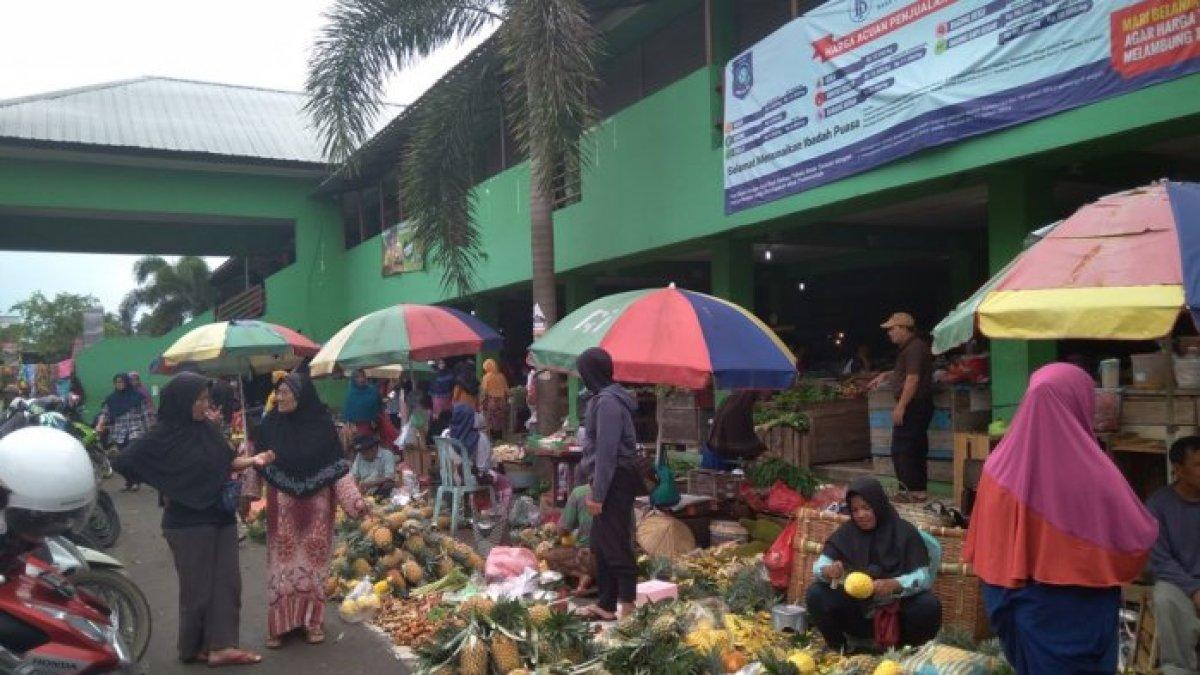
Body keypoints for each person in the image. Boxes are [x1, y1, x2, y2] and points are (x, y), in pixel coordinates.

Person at [965, 363, 1159, 675]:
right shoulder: (1096, 474)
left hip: (1014, 608)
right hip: (1078, 614)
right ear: (1081, 402)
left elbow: (987, 551)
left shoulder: (996, 468)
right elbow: (1137, 541)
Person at [114, 372, 274, 666]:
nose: (205, 405)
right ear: (182, 401)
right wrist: (168, 483)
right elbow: (125, 461)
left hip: (220, 515)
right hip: (187, 523)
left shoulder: (207, 430)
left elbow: (227, 461)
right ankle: (193, 647)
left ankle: (222, 646)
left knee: (227, 584)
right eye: (199, 400)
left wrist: (254, 460)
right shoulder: (162, 435)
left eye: (206, 399)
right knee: (197, 590)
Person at [244, 373, 369, 648]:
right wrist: (248, 495)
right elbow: (257, 460)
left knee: (313, 566)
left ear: (302, 397)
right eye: (278, 392)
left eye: (286, 392)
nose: (280, 398)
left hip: (317, 510)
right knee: (282, 566)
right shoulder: (269, 425)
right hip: (283, 510)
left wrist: (356, 503)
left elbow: (337, 467)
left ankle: (312, 622)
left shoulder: (323, 427)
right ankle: (279, 625)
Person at [806, 476, 941, 651]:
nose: (860, 515)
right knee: (816, 593)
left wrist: (895, 584)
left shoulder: (904, 532)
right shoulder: (847, 532)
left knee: (928, 605)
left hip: (897, 612)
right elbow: (820, 564)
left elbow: (923, 577)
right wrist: (827, 571)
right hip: (858, 613)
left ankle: (909, 652)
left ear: (879, 505)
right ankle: (840, 649)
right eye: (855, 510)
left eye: (866, 508)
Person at [573, 347, 640, 621]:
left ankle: (628, 605)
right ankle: (606, 604)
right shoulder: (603, 399)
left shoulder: (608, 403)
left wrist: (598, 494)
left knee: (614, 542)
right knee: (601, 543)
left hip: (616, 479)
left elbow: (606, 453)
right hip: (609, 477)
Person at [1147, 436, 1200, 675]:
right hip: (1179, 583)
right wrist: (1194, 590)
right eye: (1198, 465)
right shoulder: (1158, 505)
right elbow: (1160, 560)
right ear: (1178, 470)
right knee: (1165, 597)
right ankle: (1178, 669)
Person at [869, 312, 934, 502]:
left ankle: (911, 492)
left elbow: (913, 379)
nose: (889, 333)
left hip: (914, 406)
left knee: (903, 449)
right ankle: (916, 490)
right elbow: (907, 372)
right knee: (913, 447)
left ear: (904, 328)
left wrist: (901, 406)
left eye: (892, 329)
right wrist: (887, 374)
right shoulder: (912, 348)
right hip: (917, 406)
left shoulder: (914, 348)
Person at [96, 373, 153, 492]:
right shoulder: (111, 399)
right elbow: (104, 413)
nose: (119, 384)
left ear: (127, 382)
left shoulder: (138, 397)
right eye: (117, 382)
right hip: (119, 433)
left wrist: (148, 432)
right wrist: (100, 424)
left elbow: (145, 415)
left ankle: (136, 481)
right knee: (119, 461)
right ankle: (130, 481)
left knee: (131, 457)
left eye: (121, 382)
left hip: (135, 431)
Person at [543, 479, 596, 596]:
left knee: (550, 555)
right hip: (621, 557)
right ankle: (588, 578)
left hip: (592, 556)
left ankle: (584, 577)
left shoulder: (580, 493)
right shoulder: (621, 492)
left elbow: (562, 530)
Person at [707, 390, 766, 460]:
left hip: (716, 449)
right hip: (720, 456)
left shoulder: (733, 400)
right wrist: (761, 451)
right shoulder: (737, 409)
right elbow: (741, 440)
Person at [343, 369, 382, 436]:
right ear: (353, 379)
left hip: (372, 428)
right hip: (355, 430)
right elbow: (348, 413)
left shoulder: (373, 391)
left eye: (363, 376)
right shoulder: (350, 394)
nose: (361, 379)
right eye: (357, 377)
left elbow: (379, 406)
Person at [480, 358, 510, 440]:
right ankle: (500, 438)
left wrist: (481, 402)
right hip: (502, 402)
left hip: (492, 401)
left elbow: (484, 391)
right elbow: (507, 390)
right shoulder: (501, 376)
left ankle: (493, 439)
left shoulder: (486, 377)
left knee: (491, 421)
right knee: (500, 420)